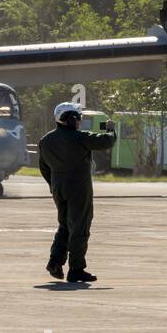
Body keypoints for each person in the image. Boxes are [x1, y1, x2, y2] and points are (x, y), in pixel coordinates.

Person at [38, 103, 116, 283]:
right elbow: (107, 142)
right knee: (79, 228)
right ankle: (76, 269)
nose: (78, 122)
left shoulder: (45, 140)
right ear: (73, 119)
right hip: (78, 188)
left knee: (65, 225)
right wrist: (111, 129)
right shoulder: (80, 137)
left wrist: (54, 184)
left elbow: (43, 167)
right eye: (77, 118)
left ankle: (55, 262)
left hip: (58, 188)